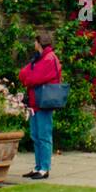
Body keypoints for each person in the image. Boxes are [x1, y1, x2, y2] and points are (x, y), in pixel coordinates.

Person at [17, 31, 62, 180]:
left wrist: (28, 77)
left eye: (35, 41)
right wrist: (27, 76)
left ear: (40, 43)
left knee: (44, 136)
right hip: (34, 103)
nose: (34, 44)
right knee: (36, 136)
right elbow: (22, 73)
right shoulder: (39, 58)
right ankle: (38, 167)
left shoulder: (49, 59)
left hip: (43, 103)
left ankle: (44, 168)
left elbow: (33, 78)